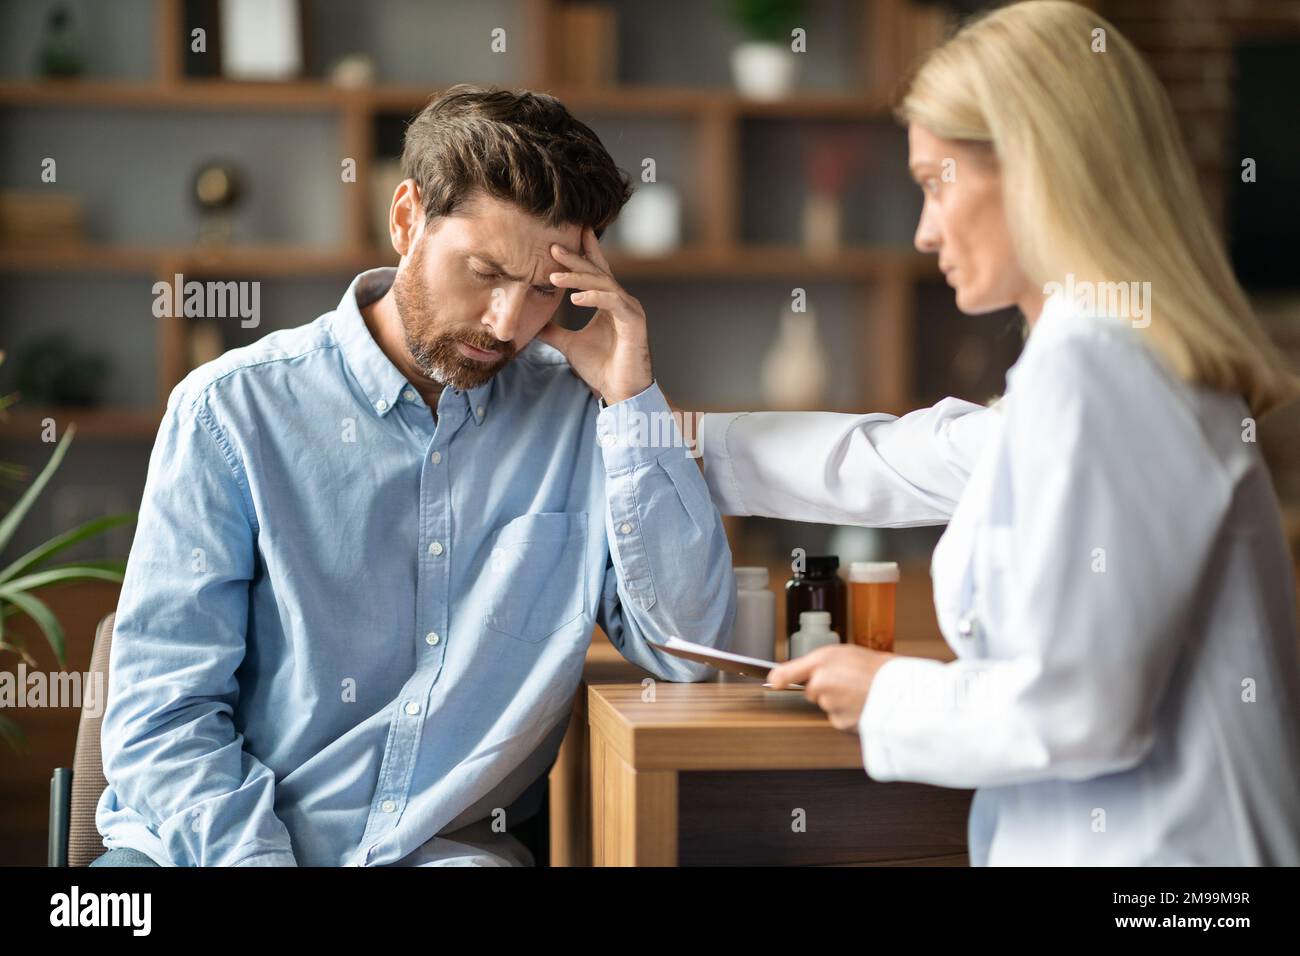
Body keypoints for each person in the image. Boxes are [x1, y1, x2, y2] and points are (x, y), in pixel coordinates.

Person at [695, 1, 1300, 865]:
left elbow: (1082, 711)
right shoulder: (1100, 361)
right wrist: (666, 437)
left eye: (939, 180)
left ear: (1037, 167)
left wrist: (887, 692)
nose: (924, 229)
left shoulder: (1103, 370)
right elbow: (896, 462)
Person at [91, 85, 736, 867]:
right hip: (211, 851)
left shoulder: (582, 421)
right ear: (406, 219)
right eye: (486, 271)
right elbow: (163, 714)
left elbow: (691, 652)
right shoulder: (231, 412)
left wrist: (633, 399)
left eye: (543, 290)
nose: (508, 323)